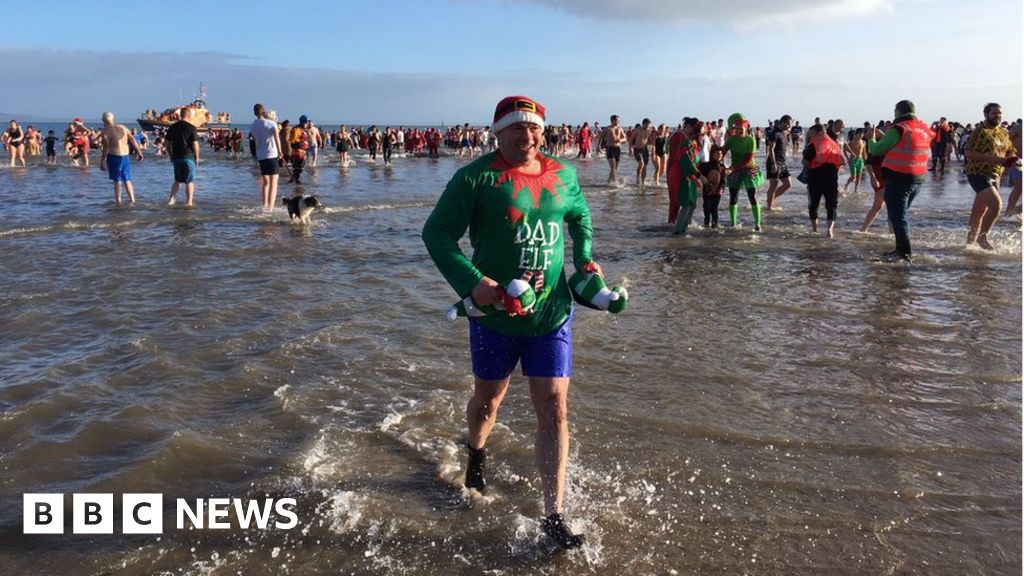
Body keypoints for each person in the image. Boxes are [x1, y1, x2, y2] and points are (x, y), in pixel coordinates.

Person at [422, 95, 600, 550]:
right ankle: (476, 454)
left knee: (554, 404)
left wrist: (584, 257)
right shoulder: (474, 178)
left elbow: (580, 216)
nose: (528, 136)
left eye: (534, 128)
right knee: (489, 400)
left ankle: (554, 515)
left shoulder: (564, 175)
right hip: (494, 316)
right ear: (498, 133)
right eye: (517, 128)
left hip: (551, 312)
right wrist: (474, 282)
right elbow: (437, 233)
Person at [866, 100, 934, 261]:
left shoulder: (899, 128)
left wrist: (871, 139)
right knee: (900, 215)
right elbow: (907, 147)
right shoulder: (923, 129)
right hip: (918, 178)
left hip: (899, 178)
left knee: (898, 217)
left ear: (898, 112)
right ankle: (900, 250)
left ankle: (903, 253)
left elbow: (876, 150)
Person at [963, 103, 1016, 249]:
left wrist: (1013, 159)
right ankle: (982, 238)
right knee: (996, 205)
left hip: (996, 174)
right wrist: (993, 159)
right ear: (986, 115)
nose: (997, 116)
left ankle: (969, 245)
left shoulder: (1003, 132)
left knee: (979, 211)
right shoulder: (979, 131)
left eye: (999, 113)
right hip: (977, 173)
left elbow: (1010, 151)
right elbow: (968, 152)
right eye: (994, 113)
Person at [720, 113, 765, 230]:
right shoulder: (731, 139)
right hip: (735, 168)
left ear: (746, 129)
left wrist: (732, 169)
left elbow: (748, 159)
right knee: (733, 197)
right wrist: (718, 161)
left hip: (749, 168)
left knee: (752, 196)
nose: (739, 131)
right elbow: (722, 152)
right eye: (737, 129)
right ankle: (733, 224)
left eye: (741, 129)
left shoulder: (751, 140)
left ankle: (757, 224)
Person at [801, 125, 843, 237]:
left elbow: (806, 162)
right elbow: (842, 160)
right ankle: (830, 230)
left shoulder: (813, 144)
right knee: (831, 204)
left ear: (817, 132)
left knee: (814, 204)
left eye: (811, 133)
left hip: (815, 177)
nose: (810, 135)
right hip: (832, 177)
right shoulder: (834, 144)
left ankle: (815, 230)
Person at [667, 117, 706, 234]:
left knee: (691, 203)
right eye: (702, 134)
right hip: (680, 174)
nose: (704, 136)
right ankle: (675, 230)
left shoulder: (693, 143)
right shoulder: (682, 139)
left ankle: (682, 229)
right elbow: (682, 160)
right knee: (684, 202)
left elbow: (694, 162)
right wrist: (698, 176)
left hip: (689, 174)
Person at [99, 112, 144, 206]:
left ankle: (118, 202)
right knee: (127, 179)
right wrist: (139, 152)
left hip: (114, 157)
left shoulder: (105, 131)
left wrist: (102, 161)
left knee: (117, 180)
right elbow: (132, 140)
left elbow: (106, 148)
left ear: (103, 121)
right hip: (125, 156)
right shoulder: (123, 127)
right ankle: (132, 200)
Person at [250, 103, 282, 211]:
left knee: (266, 182)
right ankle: (271, 207)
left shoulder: (253, 125)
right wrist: (280, 151)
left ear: (254, 113)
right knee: (274, 183)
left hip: (261, 156)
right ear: (264, 111)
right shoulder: (272, 123)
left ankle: (265, 205)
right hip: (272, 154)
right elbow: (277, 138)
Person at [165, 106, 200, 206]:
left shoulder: (172, 127)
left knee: (177, 180)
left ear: (180, 115)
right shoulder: (191, 128)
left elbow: (167, 143)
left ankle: (171, 200)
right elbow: (195, 144)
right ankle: (189, 202)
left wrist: (171, 154)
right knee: (189, 181)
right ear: (189, 115)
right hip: (188, 157)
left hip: (177, 157)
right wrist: (197, 157)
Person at [765, 115, 793, 210]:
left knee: (788, 184)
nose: (789, 126)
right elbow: (771, 149)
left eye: (790, 124)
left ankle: (771, 199)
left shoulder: (783, 132)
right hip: (774, 162)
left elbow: (789, 131)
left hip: (782, 162)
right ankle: (769, 207)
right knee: (773, 185)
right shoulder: (774, 133)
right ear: (783, 122)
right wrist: (773, 164)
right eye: (788, 124)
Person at [699, 144, 727, 228]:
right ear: (712, 154)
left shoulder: (722, 167)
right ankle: (706, 224)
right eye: (717, 153)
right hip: (707, 190)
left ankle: (715, 226)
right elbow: (699, 174)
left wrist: (721, 189)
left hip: (717, 190)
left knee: (715, 208)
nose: (719, 155)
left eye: (721, 154)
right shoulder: (705, 165)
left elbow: (723, 181)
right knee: (707, 207)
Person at [601, 115, 627, 185]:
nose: (618, 121)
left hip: (618, 149)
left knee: (615, 168)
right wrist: (598, 147)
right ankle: (616, 182)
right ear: (612, 120)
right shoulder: (607, 128)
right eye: (617, 120)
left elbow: (625, 139)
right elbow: (600, 137)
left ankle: (608, 181)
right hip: (610, 148)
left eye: (618, 120)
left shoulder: (620, 128)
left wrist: (620, 140)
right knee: (613, 167)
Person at [1004, 122, 1022, 217]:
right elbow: (1003, 140)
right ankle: (1010, 212)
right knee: (1019, 186)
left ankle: (1014, 211)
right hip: (1017, 161)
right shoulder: (1019, 128)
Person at [629, 118, 653, 188]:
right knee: (641, 163)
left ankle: (643, 182)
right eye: (646, 125)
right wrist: (630, 148)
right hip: (637, 149)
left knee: (645, 166)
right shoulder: (638, 129)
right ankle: (637, 177)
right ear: (643, 124)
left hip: (645, 149)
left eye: (648, 125)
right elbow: (631, 138)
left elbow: (653, 137)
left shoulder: (650, 130)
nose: (647, 126)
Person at [843, 128, 867, 194]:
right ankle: (846, 185)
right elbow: (844, 149)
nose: (861, 135)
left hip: (860, 160)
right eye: (859, 134)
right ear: (856, 134)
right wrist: (847, 158)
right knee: (853, 177)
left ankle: (856, 190)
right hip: (853, 160)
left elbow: (864, 153)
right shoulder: (852, 141)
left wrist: (866, 161)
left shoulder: (863, 142)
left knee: (859, 176)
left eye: (862, 134)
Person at [288, 116, 312, 184]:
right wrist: (301, 143)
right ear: (303, 122)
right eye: (307, 122)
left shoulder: (303, 129)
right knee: (298, 167)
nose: (307, 124)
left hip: (302, 151)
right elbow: (292, 141)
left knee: (299, 167)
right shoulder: (296, 129)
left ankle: (293, 179)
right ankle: (296, 180)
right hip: (297, 151)